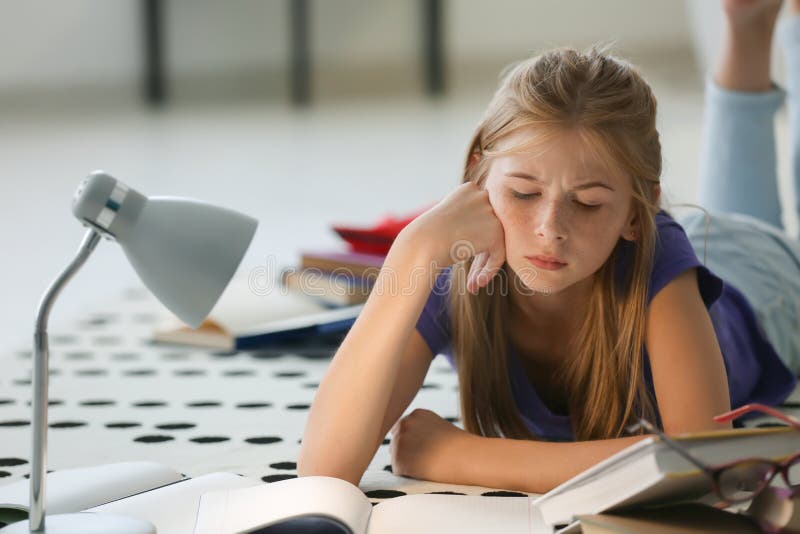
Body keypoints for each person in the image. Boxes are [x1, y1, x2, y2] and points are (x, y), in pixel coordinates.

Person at [297, 0, 799, 494]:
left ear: (635, 212)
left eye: (586, 203)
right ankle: (748, 25)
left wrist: (459, 455)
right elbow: (322, 468)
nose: (550, 228)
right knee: (739, 211)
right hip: (697, 242)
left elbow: (701, 462)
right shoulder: (447, 265)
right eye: (523, 194)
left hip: (769, 290)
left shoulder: (657, 263)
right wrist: (411, 252)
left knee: (757, 225)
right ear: (479, 172)